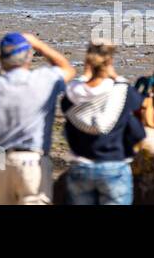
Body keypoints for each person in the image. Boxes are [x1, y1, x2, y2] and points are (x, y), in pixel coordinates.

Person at [0, 32, 75, 204]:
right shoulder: (44, 80)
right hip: (31, 158)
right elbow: (68, 69)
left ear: (1, 58)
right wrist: (39, 44)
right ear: (28, 56)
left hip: (0, 158)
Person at [62, 42, 146, 205]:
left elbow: (70, 92)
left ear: (88, 63)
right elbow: (138, 100)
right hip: (114, 166)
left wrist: (84, 77)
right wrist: (117, 77)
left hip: (82, 166)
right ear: (109, 63)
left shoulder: (73, 96)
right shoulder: (121, 93)